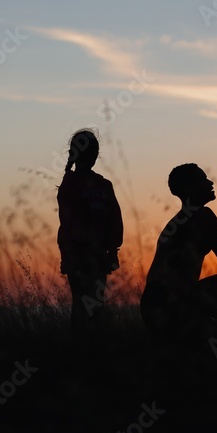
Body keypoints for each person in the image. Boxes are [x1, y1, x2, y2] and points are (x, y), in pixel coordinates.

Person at [141, 163, 217, 343]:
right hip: (170, 303)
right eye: (203, 179)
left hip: (157, 305)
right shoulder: (203, 217)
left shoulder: (182, 221)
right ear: (189, 188)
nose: (210, 183)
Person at [56, 129, 123, 336]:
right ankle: (82, 346)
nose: (91, 156)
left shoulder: (104, 185)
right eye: (88, 151)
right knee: (82, 302)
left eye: (94, 151)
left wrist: (113, 250)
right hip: (79, 255)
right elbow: (68, 224)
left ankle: (93, 346)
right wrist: (68, 255)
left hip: (98, 256)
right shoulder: (70, 185)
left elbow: (115, 219)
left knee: (95, 302)